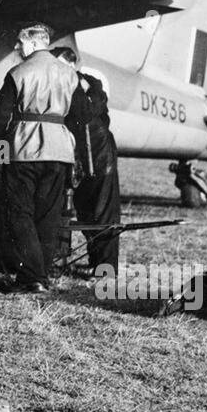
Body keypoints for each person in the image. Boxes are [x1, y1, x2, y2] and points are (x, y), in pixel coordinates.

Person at [0, 23, 80, 293]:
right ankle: (41, 276)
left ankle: (31, 278)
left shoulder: (18, 72)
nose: (17, 47)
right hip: (60, 152)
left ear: (34, 43)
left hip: (24, 150)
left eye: (20, 42)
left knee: (20, 213)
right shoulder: (70, 75)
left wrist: (1, 149)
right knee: (49, 216)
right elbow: (82, 114)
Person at [56, 45, 122, 279]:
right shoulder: (87, 84)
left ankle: (105, 270)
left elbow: (84, 114)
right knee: (86, 213)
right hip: (85, 157)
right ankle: (99, 264)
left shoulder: (82, 85)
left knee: (102, 214)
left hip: (99, 157)